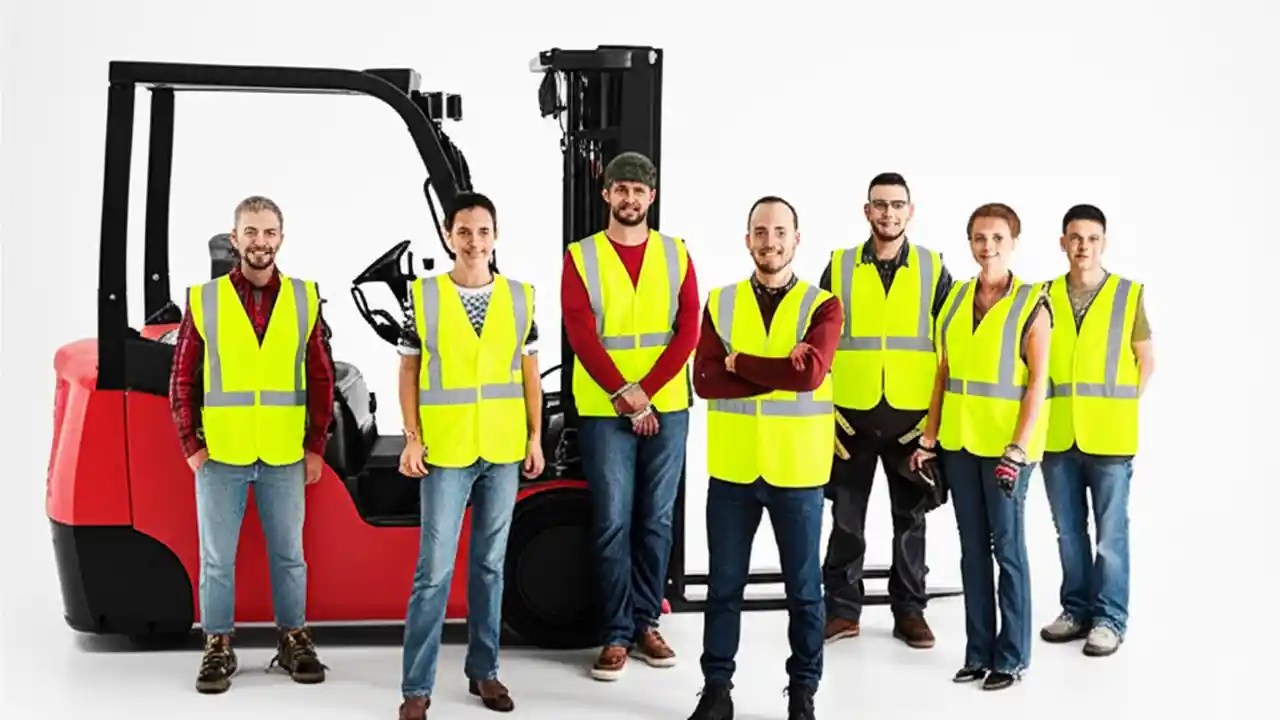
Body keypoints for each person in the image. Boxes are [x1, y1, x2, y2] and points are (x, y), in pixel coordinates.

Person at [169, 195, 334, 694]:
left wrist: (315, 446)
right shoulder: (207, 298)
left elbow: (321, 377)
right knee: (216, 556)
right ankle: (217, 644)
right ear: (235, 237)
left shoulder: (304, 298)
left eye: (268, 233)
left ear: (281, 239)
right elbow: (183, 378)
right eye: (251, 232)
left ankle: (293, 638)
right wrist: (191, 445)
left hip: (285, 452)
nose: (260, 242)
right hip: (221, 453)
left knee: (290, 554)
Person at [687, 196, 843, 720]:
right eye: (760, 231)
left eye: (780, 231)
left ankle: (803, 693)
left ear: (797, 239)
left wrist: (739, 361)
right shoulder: (720, 301)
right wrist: (776, 367)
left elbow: (809, 375)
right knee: (723, 587)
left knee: (804, 591)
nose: (769, 241)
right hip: (733, 468)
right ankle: (716, 691)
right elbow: (704, 381)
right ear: (746, 238)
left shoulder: (823, 305)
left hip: (797, 470)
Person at [394, 192, 545, 720]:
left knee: (489, 566)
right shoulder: (426, 296)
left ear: (496, 236)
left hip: (502, 449)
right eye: (464, 232)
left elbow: (529, 373)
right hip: (446, 449)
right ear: (448, 236)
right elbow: (410, 370)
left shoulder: (522, 296)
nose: (474, 242)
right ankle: (416, 687)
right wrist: (411, 436)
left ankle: (485, 672)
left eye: (483, 232)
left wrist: (534, 438)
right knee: (433, 571)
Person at [561, 151, 700, 680]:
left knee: (657, 520)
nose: (629, 199)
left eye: (638, 191)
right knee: (612, 522)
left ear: (652, 197)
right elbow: (580, 332)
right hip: (604, 407)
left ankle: (646, 622)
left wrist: (645, 394)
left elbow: (687, 331)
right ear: (606, 194)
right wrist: (624, 392)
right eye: (621, 189)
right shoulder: (582, 256)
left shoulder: (676, 253)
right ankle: (615, 633)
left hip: (665, 406)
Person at [909, 202, 1051, 691]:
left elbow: (1037, 384)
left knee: (1007, 549)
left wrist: (1018, 448)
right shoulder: (954, 299)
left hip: (1007, 449)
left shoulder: (1033, 302)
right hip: (961, 443)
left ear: (1013, 242)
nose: (986, 246)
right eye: (978, 237)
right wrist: (929, 438)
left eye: (996, 238)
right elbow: (942, 375)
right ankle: (977, 651)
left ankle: (1011, 656)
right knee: (972, 551)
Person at [818, 172, 954, 647]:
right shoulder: (837, 267)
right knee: (845, 520)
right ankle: (841, 610)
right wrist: (823, 415)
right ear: (866, 211)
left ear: (910, 211)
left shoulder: (935, 269)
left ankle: (910, 611)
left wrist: (933, 427)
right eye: (880, 205)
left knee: (911, 521)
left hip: (910, 423)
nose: (888, 213)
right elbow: (819, 346)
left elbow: (949, 350)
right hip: (849, 420)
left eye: (897, 205)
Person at [1037, 204, 1154, 658]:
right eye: (1074, 236)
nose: (1082, 245)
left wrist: (1117, 409)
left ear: (1103, 242)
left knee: (1110, 535)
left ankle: (1109, 618)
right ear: (1063, 242)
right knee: (1069, 532)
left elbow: (1147, 362)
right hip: (1058, 436)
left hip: (1110, 438)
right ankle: (1076, 610)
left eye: (1091, 237)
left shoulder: (1127, 295)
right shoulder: (1043, 294)